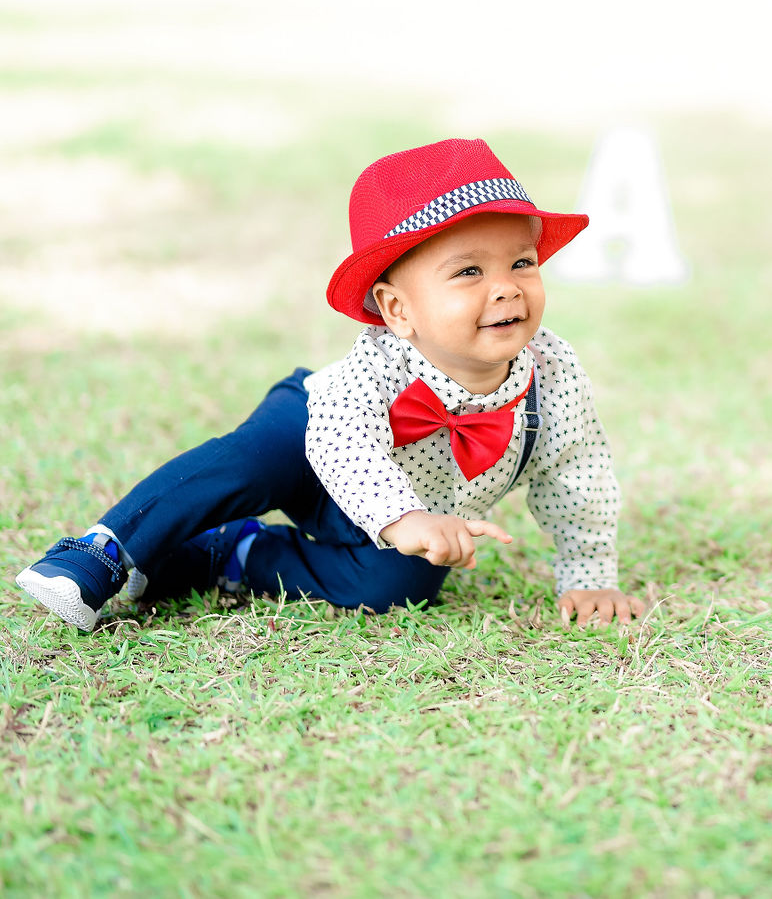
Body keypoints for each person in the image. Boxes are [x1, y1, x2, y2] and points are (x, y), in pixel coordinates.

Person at [16, 138, 645, 632]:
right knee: (243, 462)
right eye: (469, 271)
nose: (506, 287)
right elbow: (342, 445)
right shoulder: (376, 366)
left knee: (397, 589)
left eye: (522, 263)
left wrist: (587, 573)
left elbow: (578, 472)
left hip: (406, 509)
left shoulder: (552, 375)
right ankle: (103, 549)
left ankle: (230, 557)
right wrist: (401, 516)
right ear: (399, 311)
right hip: (313, 439)